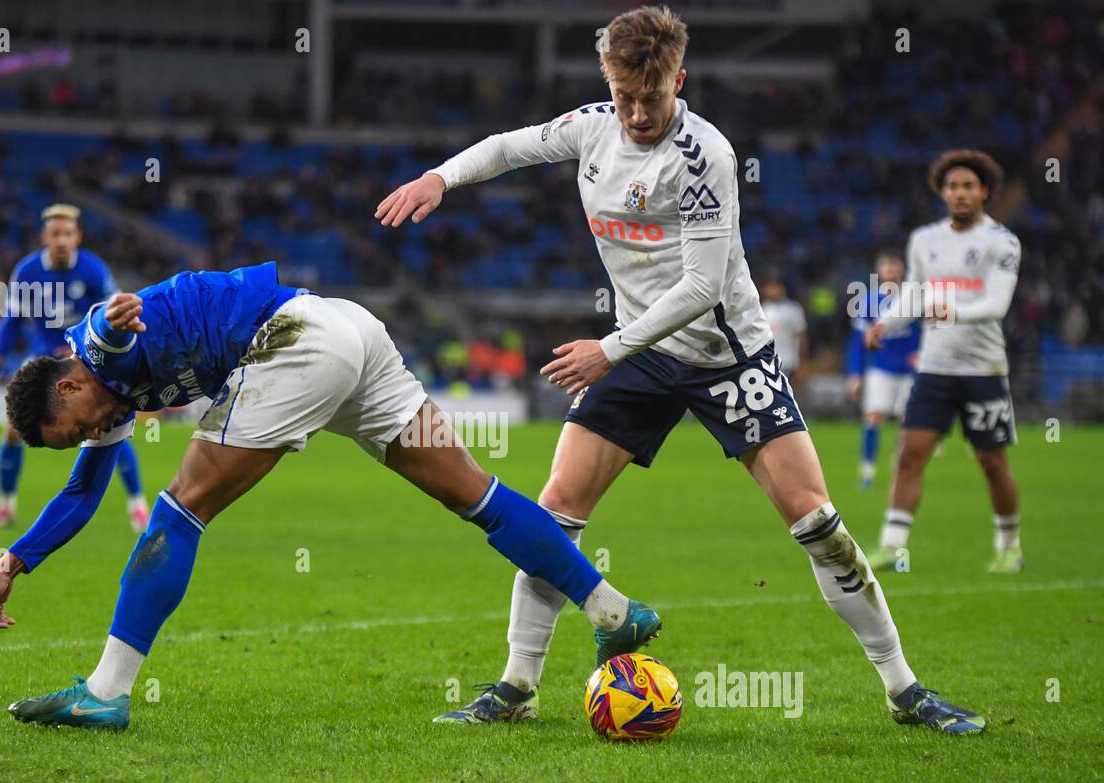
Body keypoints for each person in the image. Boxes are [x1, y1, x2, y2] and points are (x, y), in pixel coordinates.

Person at [376, 4, 984, 734]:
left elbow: (700, 289)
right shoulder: (593, 126)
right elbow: (509, 147)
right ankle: (517, 685)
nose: (637, 113)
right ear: (610, 82)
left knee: (818, 523)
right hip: (641, 350)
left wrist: (609, 350)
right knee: (555, 510)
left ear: (679, 81)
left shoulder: (705, 158)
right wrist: (439, 179)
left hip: (726, 355)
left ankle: (903, 690)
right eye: (625, 95)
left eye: (652, 97)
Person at [0, 262, 661, 730]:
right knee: (474, 495)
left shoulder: (98, 351)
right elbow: (82, 493)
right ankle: (611, 609)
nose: (91, 434)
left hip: (295, 344)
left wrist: (116, 322)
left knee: (182, 508)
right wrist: (13, 562)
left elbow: (110, 331)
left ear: (67, 386)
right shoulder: (106, 397)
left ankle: (106, 693)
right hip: (352, 333)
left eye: (75, 429)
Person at [864, 150, 1023, 574]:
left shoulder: (1002, 242)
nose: (960, 193)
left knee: (992, 462)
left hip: (983, 369)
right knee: (909, 454)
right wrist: (884, 324)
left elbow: (997, 303)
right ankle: (892, 547)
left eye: (969, 186)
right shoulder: (924, 240)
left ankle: (1009, 545)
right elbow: (914, 294)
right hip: (934, 368)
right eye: (952, 186)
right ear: (942, 192)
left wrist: (952, 311)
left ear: (984, 191)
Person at [0, 204, 148, 533]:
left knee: (110, 427)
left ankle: (138, 505)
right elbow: (12, 323)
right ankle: (5, 507)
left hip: (85, 358)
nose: (62, 240)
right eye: (55, 233)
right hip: (44, 361)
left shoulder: (94, 270)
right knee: (13, 429)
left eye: (68, 233)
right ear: (45, 237)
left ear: (78, 236)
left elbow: (115, 313)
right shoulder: (26, 272)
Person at [846, 251, 921, 490]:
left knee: (908, 423)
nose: (891, 270)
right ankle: (867, 472)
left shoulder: (913, 298)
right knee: (873, 417)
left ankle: (900, 471)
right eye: (887, 265)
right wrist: (855, 374)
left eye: (895, 265)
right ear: (879, 270)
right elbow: (858, 341)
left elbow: (924, 330)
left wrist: (921, 353)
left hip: (908, 371)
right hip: (880, 368)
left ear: (902, 269)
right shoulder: (868, 300)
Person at [759, 278, 807, 389]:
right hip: (766, 362)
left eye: (777, 287)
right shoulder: (760, 308)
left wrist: (803, 364)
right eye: (771, 287)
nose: (774, 290)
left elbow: (801, 336)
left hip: (789, 363)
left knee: (789, 397)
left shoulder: (793, 309)